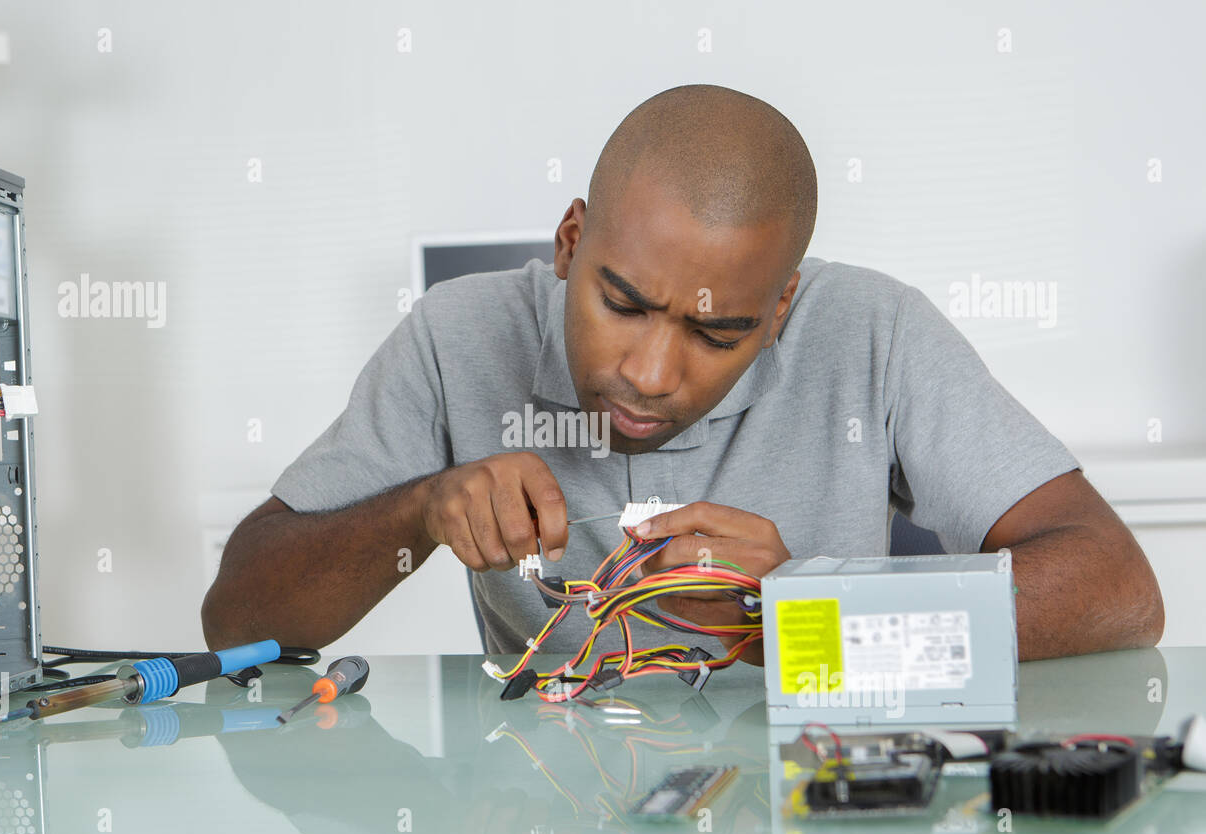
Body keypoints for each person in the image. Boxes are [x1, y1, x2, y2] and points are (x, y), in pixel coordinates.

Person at [202, 84, 1163, 664]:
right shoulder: (458, 336)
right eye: (621, 304)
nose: (650, 375)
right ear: (571, 242)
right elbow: (240, 617)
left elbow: (1118, 591)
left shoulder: (873, 329)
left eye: (720, 333)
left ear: (780, 310)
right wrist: (419, 512)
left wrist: (801, 610)